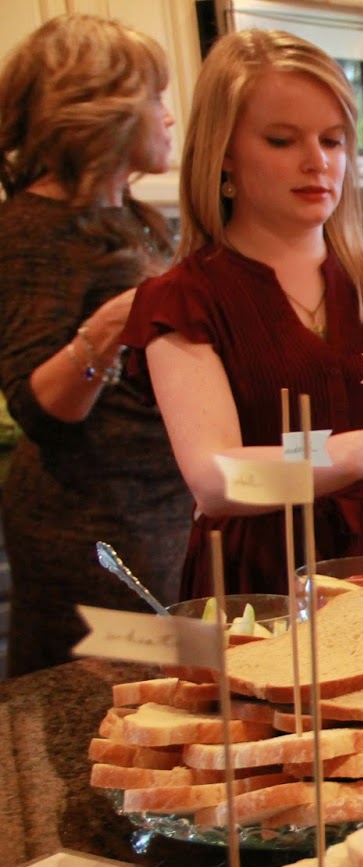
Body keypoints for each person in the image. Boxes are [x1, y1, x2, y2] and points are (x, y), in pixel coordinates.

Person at [124, 29, 363, 598]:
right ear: (223, 152)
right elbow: (215, 476)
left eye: (333, 141)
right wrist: (353, 450)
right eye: (282, 140)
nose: (317, 162)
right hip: (269, 583)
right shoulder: (184, 300)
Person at [0, 15, 193, 676]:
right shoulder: (29, 229)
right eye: (155, 98)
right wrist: (112, 323)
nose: (169, 118)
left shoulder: (134, 217)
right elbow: (40, 408)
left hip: (155, 513)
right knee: (94, 729)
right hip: (87, 534)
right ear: (100, 113)